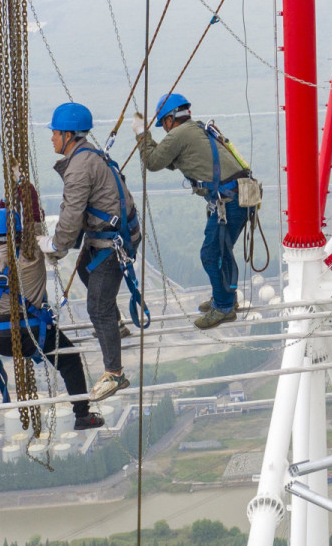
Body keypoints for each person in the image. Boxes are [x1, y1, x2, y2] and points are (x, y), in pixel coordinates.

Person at [134, 92, 257, 330]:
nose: (165, 130)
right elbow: (168, 159)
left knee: (211, 254)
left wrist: (142, 135)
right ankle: (225, 298)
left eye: (164, 125)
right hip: (237, 197)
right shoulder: (193, 129)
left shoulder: (180, 133)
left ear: (170, 119)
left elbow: (153, 162)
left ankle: (223, 307)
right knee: (222, 250)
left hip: (229, 201)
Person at [0, 206, 103, 430]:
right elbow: (34, 230)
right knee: (70, 361)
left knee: (65, 356)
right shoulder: (32, 256)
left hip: (0, 338)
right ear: (18, 234)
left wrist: (1, 209)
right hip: (36, 335)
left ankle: (82, 414)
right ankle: (82, 415)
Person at [47, 101, 139, 403]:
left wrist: (56, 246)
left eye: (55, 133)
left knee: (97, 307)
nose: (52, 138)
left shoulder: (79, 167)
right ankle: (115, 324)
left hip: (112, 243)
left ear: (68, 135)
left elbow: (72, 214)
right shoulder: (87, 157)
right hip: (114, 235)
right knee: (87, 268)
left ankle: (115, 372)